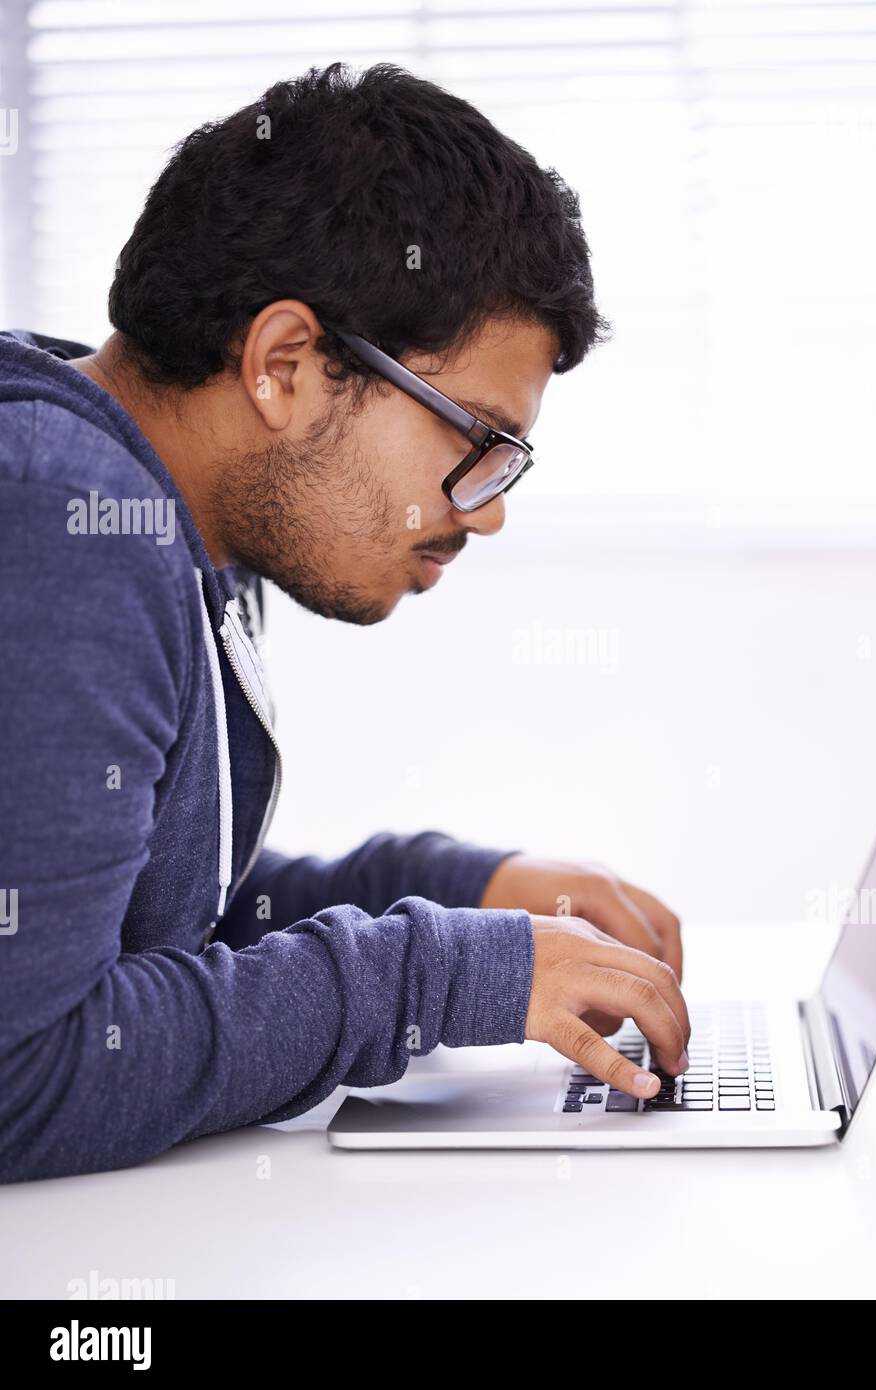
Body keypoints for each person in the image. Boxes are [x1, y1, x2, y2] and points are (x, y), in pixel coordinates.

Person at [0, 62, 689, 1183]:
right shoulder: (64, 520)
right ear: (284, 366)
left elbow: (153, 920)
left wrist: (463, 890)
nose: (491, 507)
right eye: (475, 440)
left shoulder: (164, 508)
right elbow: (25, 1065)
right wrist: (441, 976)